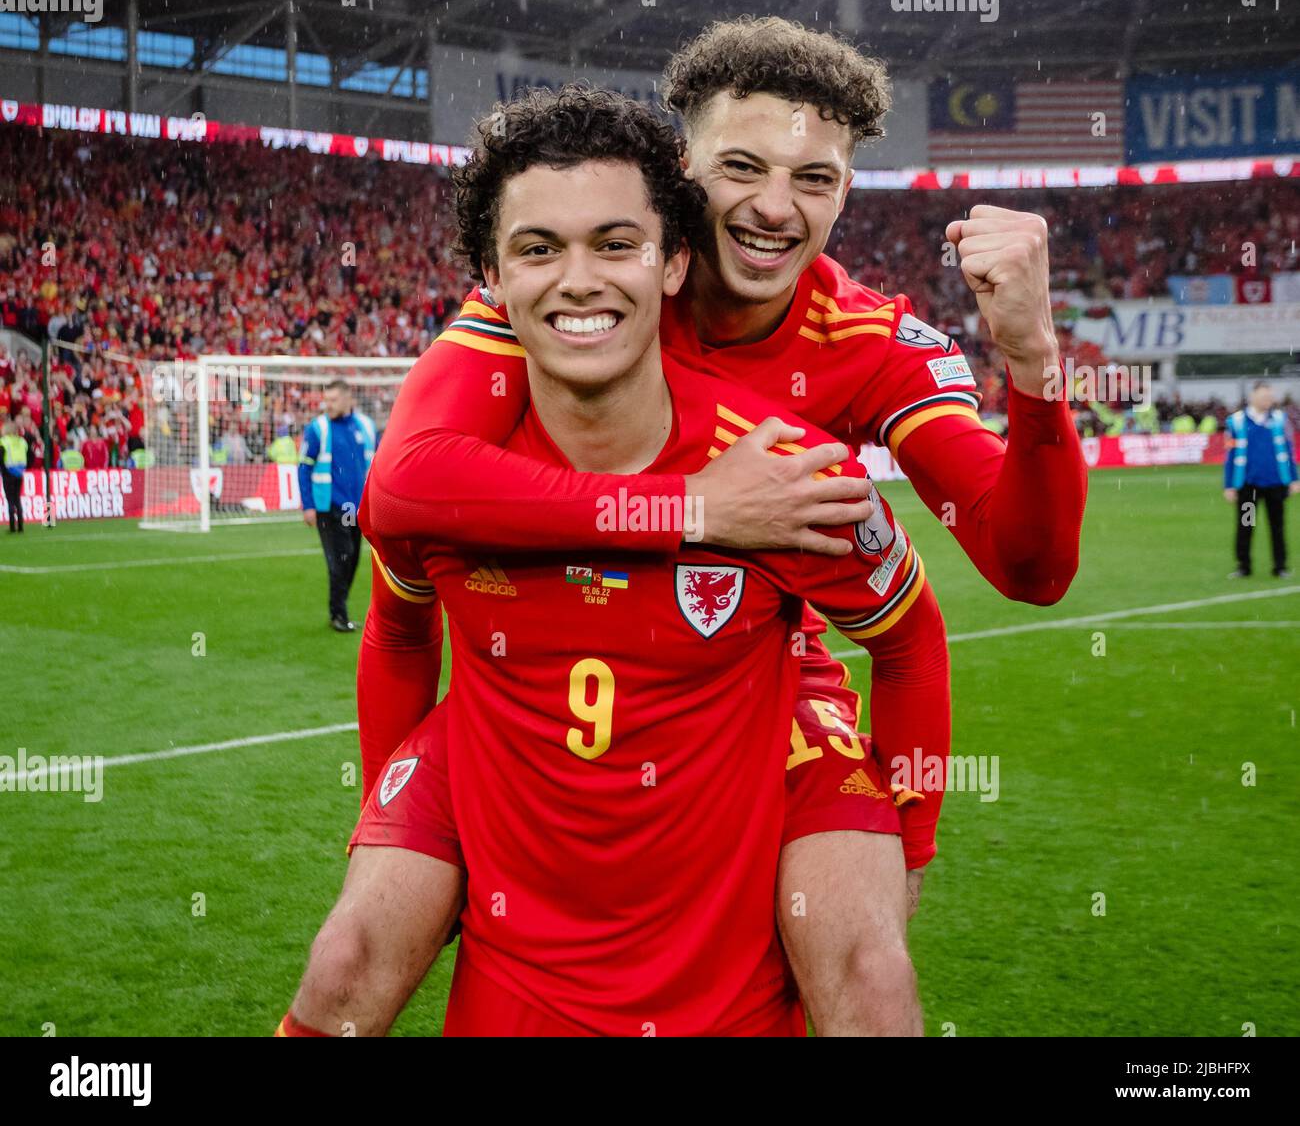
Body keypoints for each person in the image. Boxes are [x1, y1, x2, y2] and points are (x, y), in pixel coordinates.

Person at [358, 17, 1086, 1036]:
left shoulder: (871, 344)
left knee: (869, 976)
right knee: (353, 958)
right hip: (526, 678)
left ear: (846, 191)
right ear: (682, 164)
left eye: (816, 179)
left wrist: (1032, 364)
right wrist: (695, 510)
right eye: (741, 166)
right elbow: (404, 494)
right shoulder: (581, 287)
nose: (773, 209)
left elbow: (1029, 565)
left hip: (761, 680)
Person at [280, 88, 948, 1037]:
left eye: (616, 243)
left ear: (675, 262)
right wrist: (390, 821)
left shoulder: (783, 474)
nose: (578, 280)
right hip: (503, 762)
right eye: (540, 248)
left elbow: (914, 639)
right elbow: (396, 623)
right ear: (492, 275)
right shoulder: (447, 477)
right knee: (343, 962)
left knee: (874, 985)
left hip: (735, 778)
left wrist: (912, 837)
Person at [297, 379, 377, 631]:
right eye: (326, 400)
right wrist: (308, 505)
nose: (328, 405)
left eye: (333, 400)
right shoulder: (317, 428)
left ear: (347, 399)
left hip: (357, 508)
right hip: (329, 507)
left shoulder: (365, 426)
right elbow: (304, 468)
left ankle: (339, 610)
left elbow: (374, 466)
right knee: (339, 560)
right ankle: (338, 615)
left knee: (351, 559)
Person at [1225, 381, 1297, 578]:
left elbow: (1289, 451)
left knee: (1277, 527)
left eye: (1270, 397)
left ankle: (1280, 566)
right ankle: (1244, 566)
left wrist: (1294, 478)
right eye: (1265, 397)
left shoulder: (1280, 420)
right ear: (1253, 397)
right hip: (1249, 486)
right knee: (1246, 526)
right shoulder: (1237, 422)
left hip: (1275, 484)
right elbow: (1230, 456)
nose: (1269, 400)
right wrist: (1229, 485)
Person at [0, 419, 26, 533]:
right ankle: (20, 526)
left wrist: (3, 470)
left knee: (10, 500)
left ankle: (12, 527)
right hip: (19, 472)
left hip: (8, 472)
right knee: (17, 499)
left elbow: (1, 458)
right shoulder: (21, 441)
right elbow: (29, 454)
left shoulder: (4, 441)